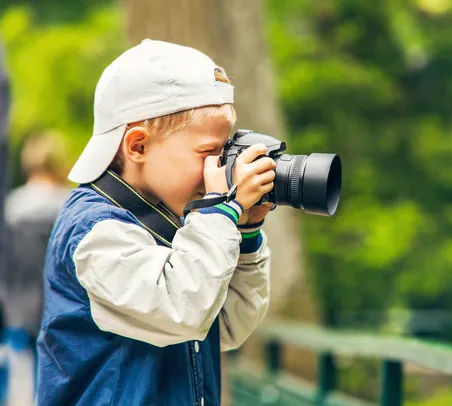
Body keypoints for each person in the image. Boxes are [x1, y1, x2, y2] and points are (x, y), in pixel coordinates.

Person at [36, 39, 275, 406]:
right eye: (209, 152)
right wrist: (219, 214)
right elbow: (182, 310)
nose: (221, 168)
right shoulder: (94, 232)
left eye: (225, 151)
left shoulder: (177, 221)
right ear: (138, 147)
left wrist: (243, 235)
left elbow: (225, 326)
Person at [2, 131, 70, 406]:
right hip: (58, 306)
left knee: (19, 383)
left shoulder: (12, 207)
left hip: (18, 308)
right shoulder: (69, 205)